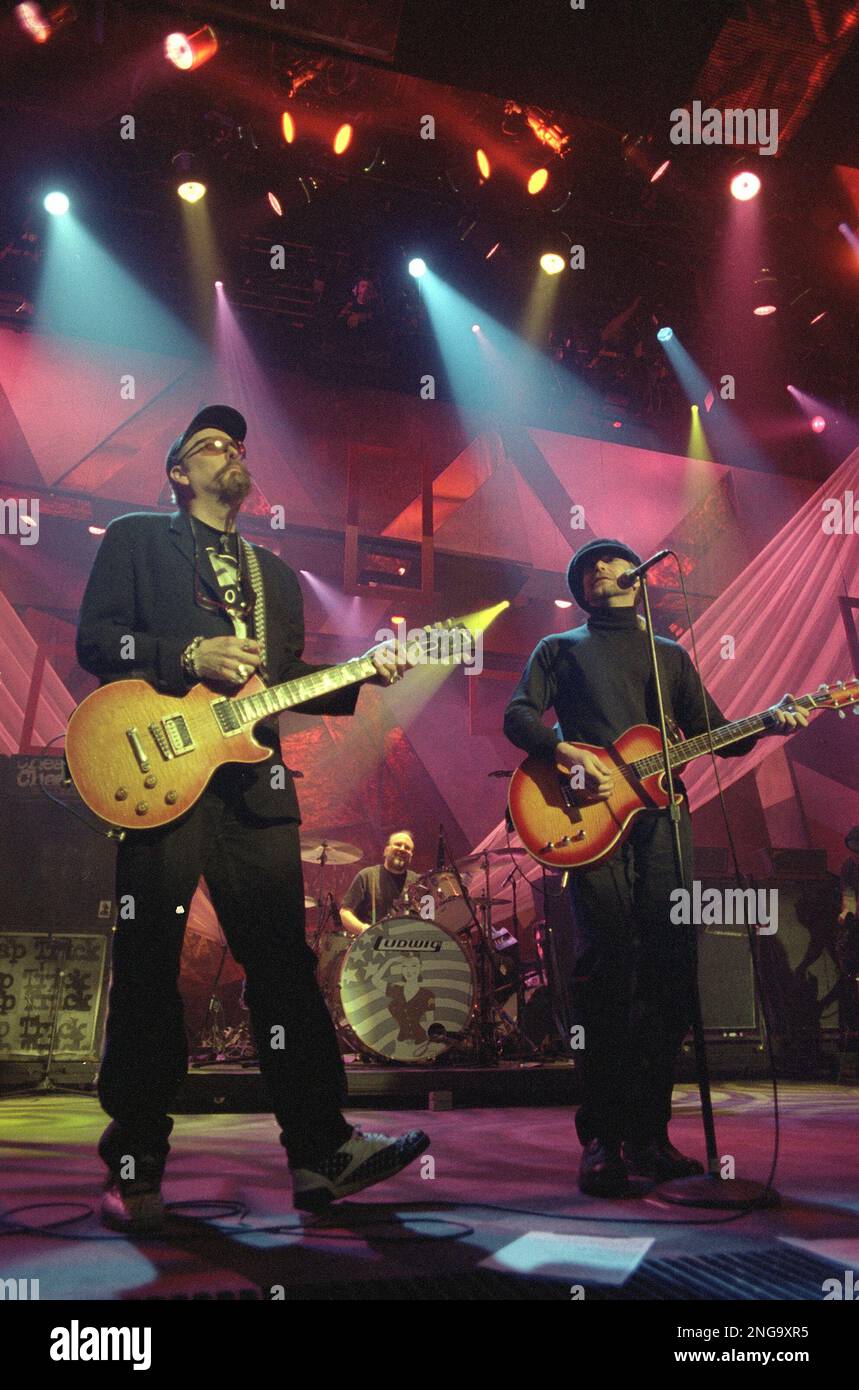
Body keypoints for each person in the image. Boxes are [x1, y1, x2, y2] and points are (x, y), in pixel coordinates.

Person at [75, 404, 429, 1230]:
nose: (229, 452)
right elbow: (98, 642)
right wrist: (183, 656)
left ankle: (321, 1153)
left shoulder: (269, 573)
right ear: (177, 473)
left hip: (255, 786)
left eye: (237, 444)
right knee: (153, 963)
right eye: (209, 445)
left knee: (282, 966)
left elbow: (288, 677)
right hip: (160, 773)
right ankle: (135, 1163)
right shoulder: (134, 539)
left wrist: (368, 672)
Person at [503, 537, 807, 1196]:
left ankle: (648, 1135)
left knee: (669, 974)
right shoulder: (560, 649)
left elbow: (715, 733)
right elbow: (517, 713)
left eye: (615, 560)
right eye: (595, 564)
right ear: (586, 586)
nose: (610, 567)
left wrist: (772, 722)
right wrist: (564, 755)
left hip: (663, 824)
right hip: (590, 824)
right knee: (605, 969)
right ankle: (601, 1139)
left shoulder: (668, 655)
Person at [339, 831, 420, 933]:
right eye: (398, 844)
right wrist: (366, 930)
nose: (402, 849)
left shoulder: (419, 882)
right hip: (373, 944)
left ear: (411, 856)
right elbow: (345, 912)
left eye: (407, 848)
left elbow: (431, 916)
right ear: (386, 851)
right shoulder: (367, 876)